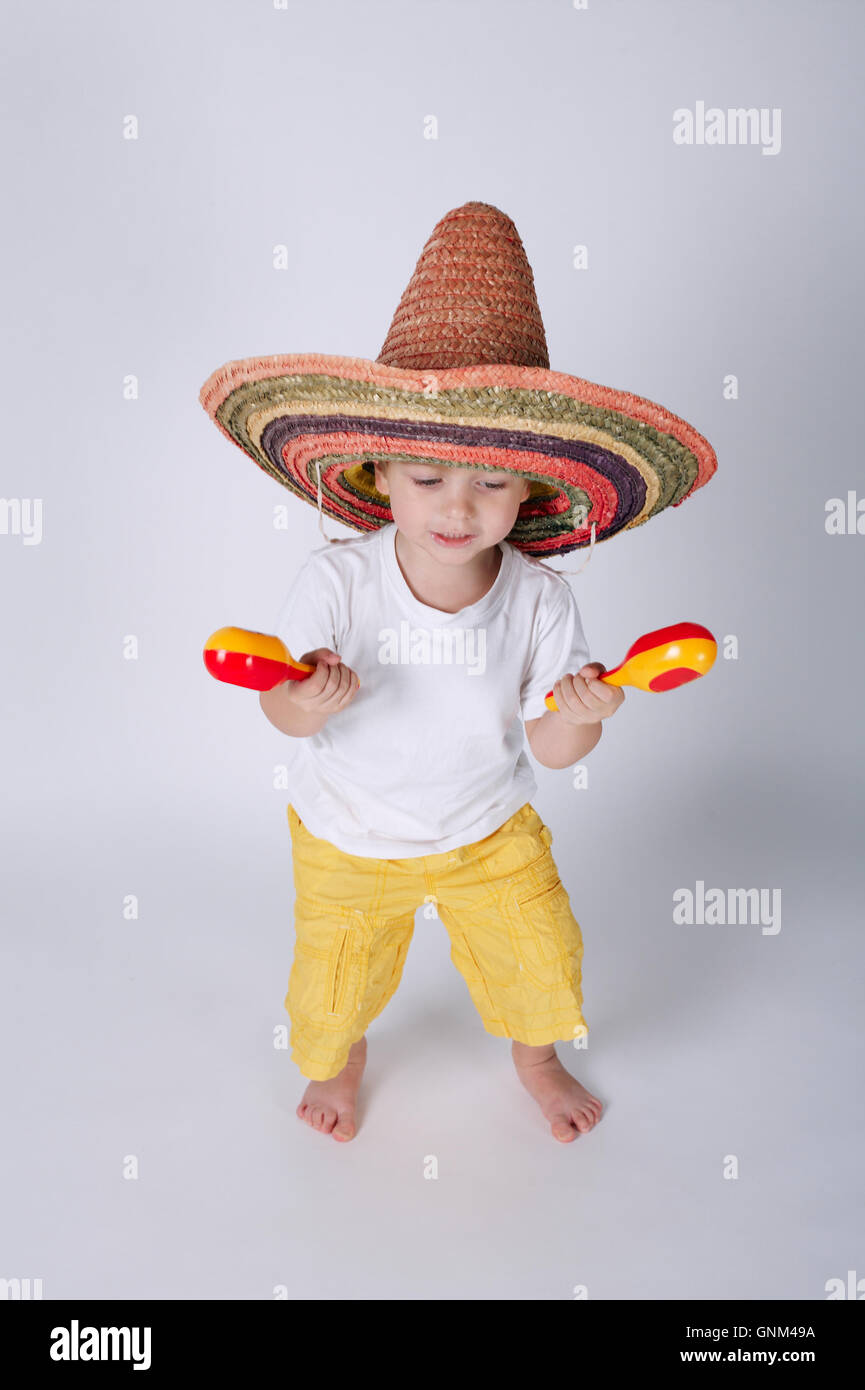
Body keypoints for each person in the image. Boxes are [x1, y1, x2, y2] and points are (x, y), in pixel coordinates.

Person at [199, 200, 718, 1144]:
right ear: (377, 476)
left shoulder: (537, 599)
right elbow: (283, 717)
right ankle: (345, 1059)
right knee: (331, 987)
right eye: (428, 479)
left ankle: (536, 1059)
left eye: (488, 481)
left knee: (542, 958)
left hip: (487, 827)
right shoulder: (338, 582)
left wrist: (589, 709)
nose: (457, 506)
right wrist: (302, 698)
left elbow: (554, 750)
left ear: (530, 488)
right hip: (349, 834)